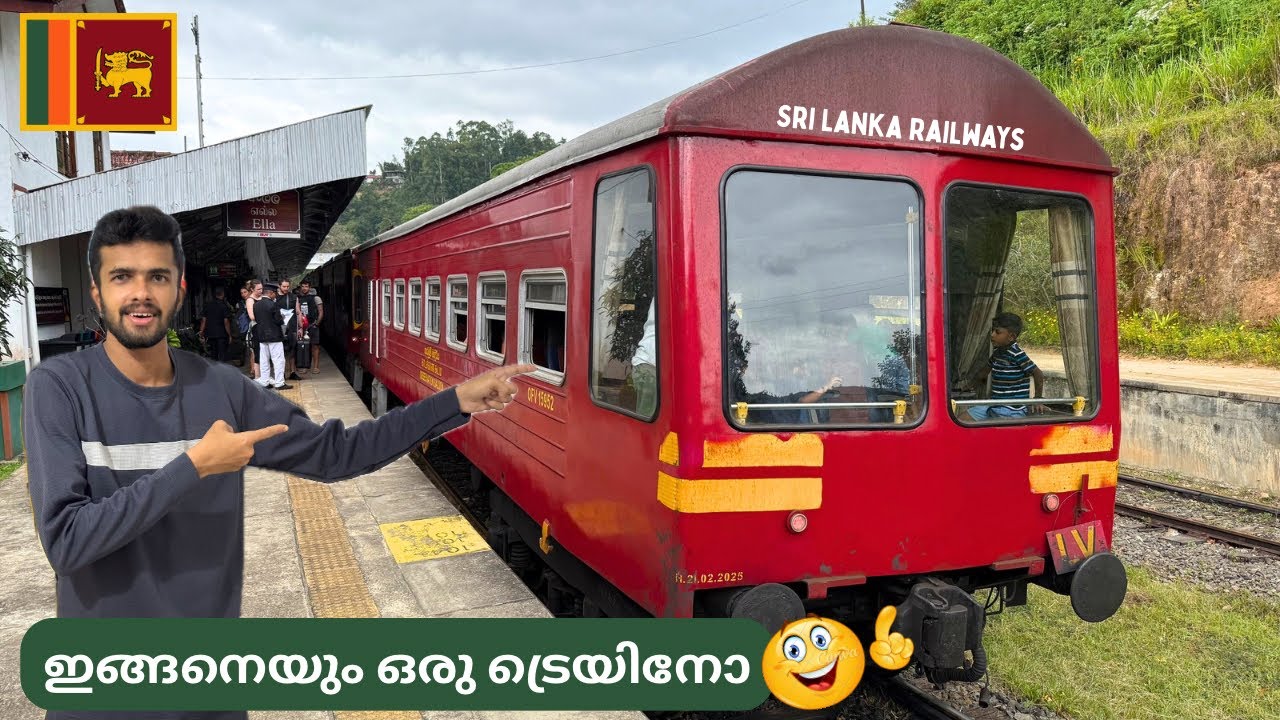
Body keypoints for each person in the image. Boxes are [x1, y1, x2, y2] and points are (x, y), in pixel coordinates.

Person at [22, 205, 534, 720]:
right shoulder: (60, 388)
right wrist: (193, 466)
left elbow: (337, 453)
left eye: (158, 276)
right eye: (121, 277)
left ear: (179, 289)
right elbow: (67, 541)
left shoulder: (221, 389)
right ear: (97, 291)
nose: (140, 293)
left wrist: (454, 402)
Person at [964, 311, 1044, 420]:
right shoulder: (998, 353)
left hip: (1011, 410)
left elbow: (1038, 374)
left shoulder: (1016, 354)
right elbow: (984, 371)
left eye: (997, 332)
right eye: (992, 331)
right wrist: (969, 386)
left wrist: (1038, 399)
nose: (992, 335)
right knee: (962, 419)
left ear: (1011, 337)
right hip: (994, 405)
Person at [253, 282, 289, 390]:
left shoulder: (256, 305)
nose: (276, 295)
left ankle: (265, 381)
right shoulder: (273, 305)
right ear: (271, 293)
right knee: (278, 360)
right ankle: (279, 383)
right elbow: (278, 321)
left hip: (262, 336)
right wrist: (282, 317)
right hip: (274, 336)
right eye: (275, 293)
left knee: (264, 360)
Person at [197, 286, 232, 362]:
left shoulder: (208, 305)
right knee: (222, 354)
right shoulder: (224, 306)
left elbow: (204, 320)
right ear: (222, 294)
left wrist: (201, 331)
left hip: (210, 333)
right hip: (222, 334)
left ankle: (214, 369)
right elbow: (226, 321)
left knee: (213, 354)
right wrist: (229, 334)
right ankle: (222, 369)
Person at [277, 278, 301, 381]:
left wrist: (300, 327)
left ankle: (292, 372)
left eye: (287, 286)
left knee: (293, 350)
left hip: (291, 326)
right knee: (279, 352)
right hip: (279, 327)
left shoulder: (294, 297)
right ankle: (281, 373)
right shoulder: (275, 297)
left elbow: (298, 312)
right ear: (279, 286)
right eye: (284, 286)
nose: (286, 288)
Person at [298, 279, 323, 373]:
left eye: (306, 286)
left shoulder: (316, 298)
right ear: (300, 287)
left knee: (315, 346)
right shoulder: (298, 298)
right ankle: (305, 366)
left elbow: (321, 312)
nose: (304, 288)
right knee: (304, 346)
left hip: (313, 325)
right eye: (303, 286)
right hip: (302, 326)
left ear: (310, 287)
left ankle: (316, 367)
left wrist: (317, 324)